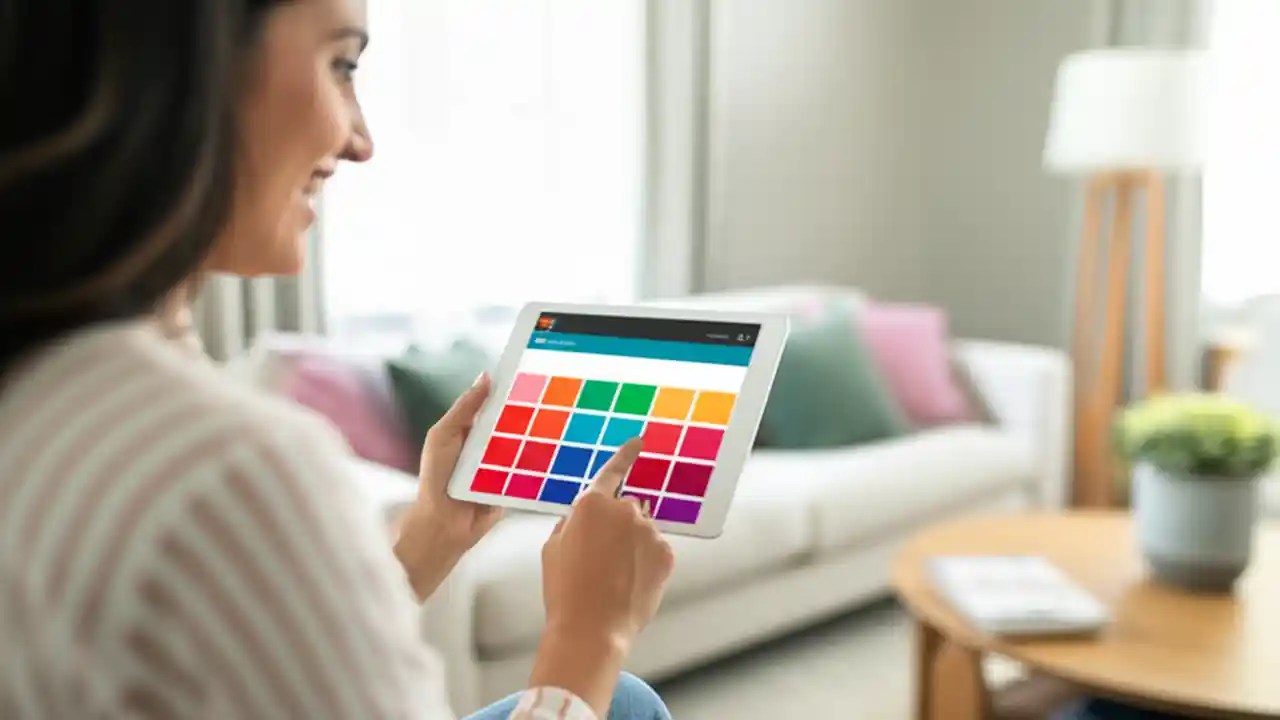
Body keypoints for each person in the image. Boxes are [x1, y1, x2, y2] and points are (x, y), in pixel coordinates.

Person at [0, 1, 675, 718]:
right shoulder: (226, 468)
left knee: (626, 704)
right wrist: (589, 634)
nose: (361, 140)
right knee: (623, 701)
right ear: (187, 73)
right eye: (340, 65)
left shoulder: (48, 377)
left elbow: (254, 649)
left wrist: (430, 535)